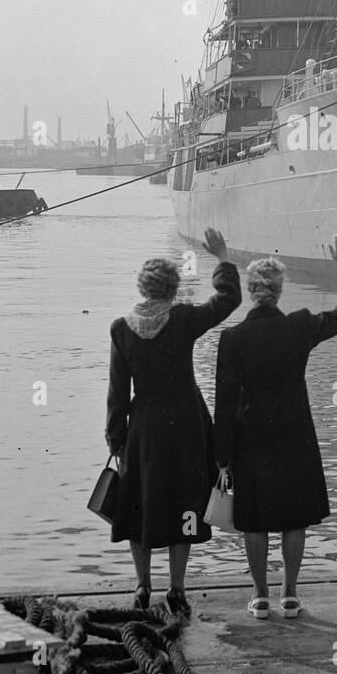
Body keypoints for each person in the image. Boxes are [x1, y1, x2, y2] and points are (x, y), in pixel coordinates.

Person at [214, 235, 337, 619]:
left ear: (251, 293)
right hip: (294, 433)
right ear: (279, 292)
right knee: (294, 516)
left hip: (251, 438)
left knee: (254, 517)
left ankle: (260, 595)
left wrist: (222, 455)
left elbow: (226, 401)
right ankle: (291, 594)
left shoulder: (233, 338)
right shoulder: (299, 327)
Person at [106, 230, 241, 617]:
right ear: (173, 288)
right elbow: (228, 300)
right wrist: (222, 257)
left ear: (142, 287)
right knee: (184, 501)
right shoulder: (182, 318)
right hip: (184, 423)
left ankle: (141, 584)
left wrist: (115, 440)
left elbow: (117, 393)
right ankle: (176, 588)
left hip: (143, 427)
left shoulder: (120, 328)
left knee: (139, 504)